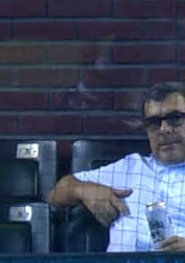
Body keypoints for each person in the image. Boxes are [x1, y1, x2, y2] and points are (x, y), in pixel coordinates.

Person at [45, 81, 185, 253]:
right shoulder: (129, 168)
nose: (164, 129)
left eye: (175, 119)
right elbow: (55, 195)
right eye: (154, 122)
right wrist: (83, 190)